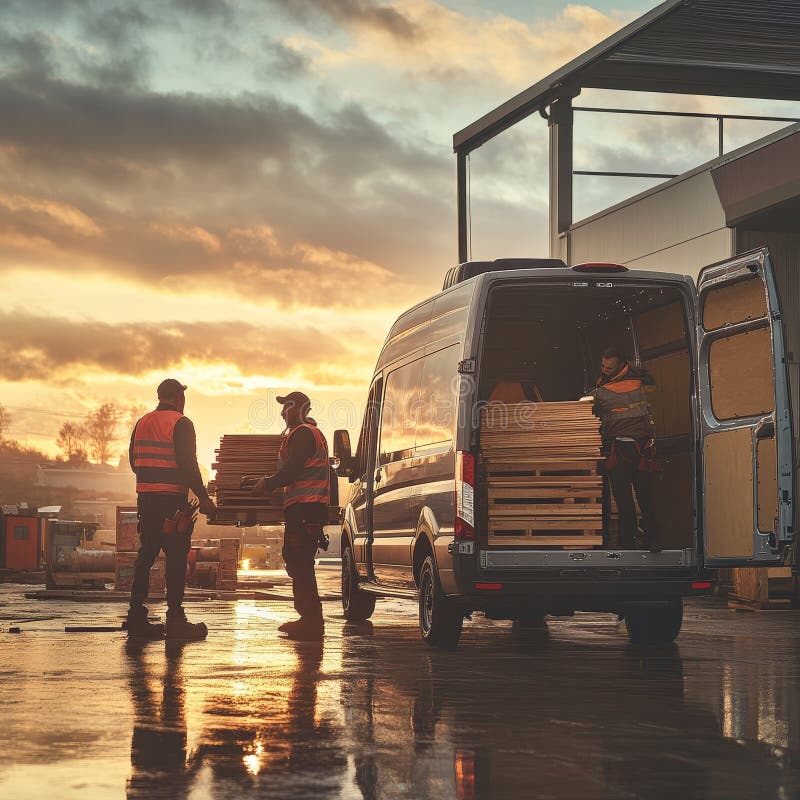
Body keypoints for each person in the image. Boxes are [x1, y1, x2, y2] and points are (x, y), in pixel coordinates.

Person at [127, 379, 216, 639]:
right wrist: (205, 498)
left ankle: (136, 617)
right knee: (176, 558)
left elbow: (134, 461)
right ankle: (175, 619)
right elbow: (188, 464)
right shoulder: (181, 423)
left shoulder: (142, 422)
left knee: (146, 555)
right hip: (172, 502)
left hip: (146, 500)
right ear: (179, 397)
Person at [250, 391, 329, 642]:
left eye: (287, 406)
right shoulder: (302, 434)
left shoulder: (304, 433)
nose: (283, 412)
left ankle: (311, 621)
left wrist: (269, 483)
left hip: (307, 508)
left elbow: (294, 469)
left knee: (300, 562)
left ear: (299, 408)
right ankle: (309, 618)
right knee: (297, 561)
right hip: (304, 508)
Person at [591, 348, 661, 552]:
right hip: (633, 448)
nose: (604, 370)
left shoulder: (612, 389)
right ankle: (649, 539)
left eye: (609, 367)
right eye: (602, 366)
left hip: (633, 449)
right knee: (641, 498)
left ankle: (628, 543)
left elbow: (593, 401)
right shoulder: (642, 379)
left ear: (622, 365)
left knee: (631, 500)